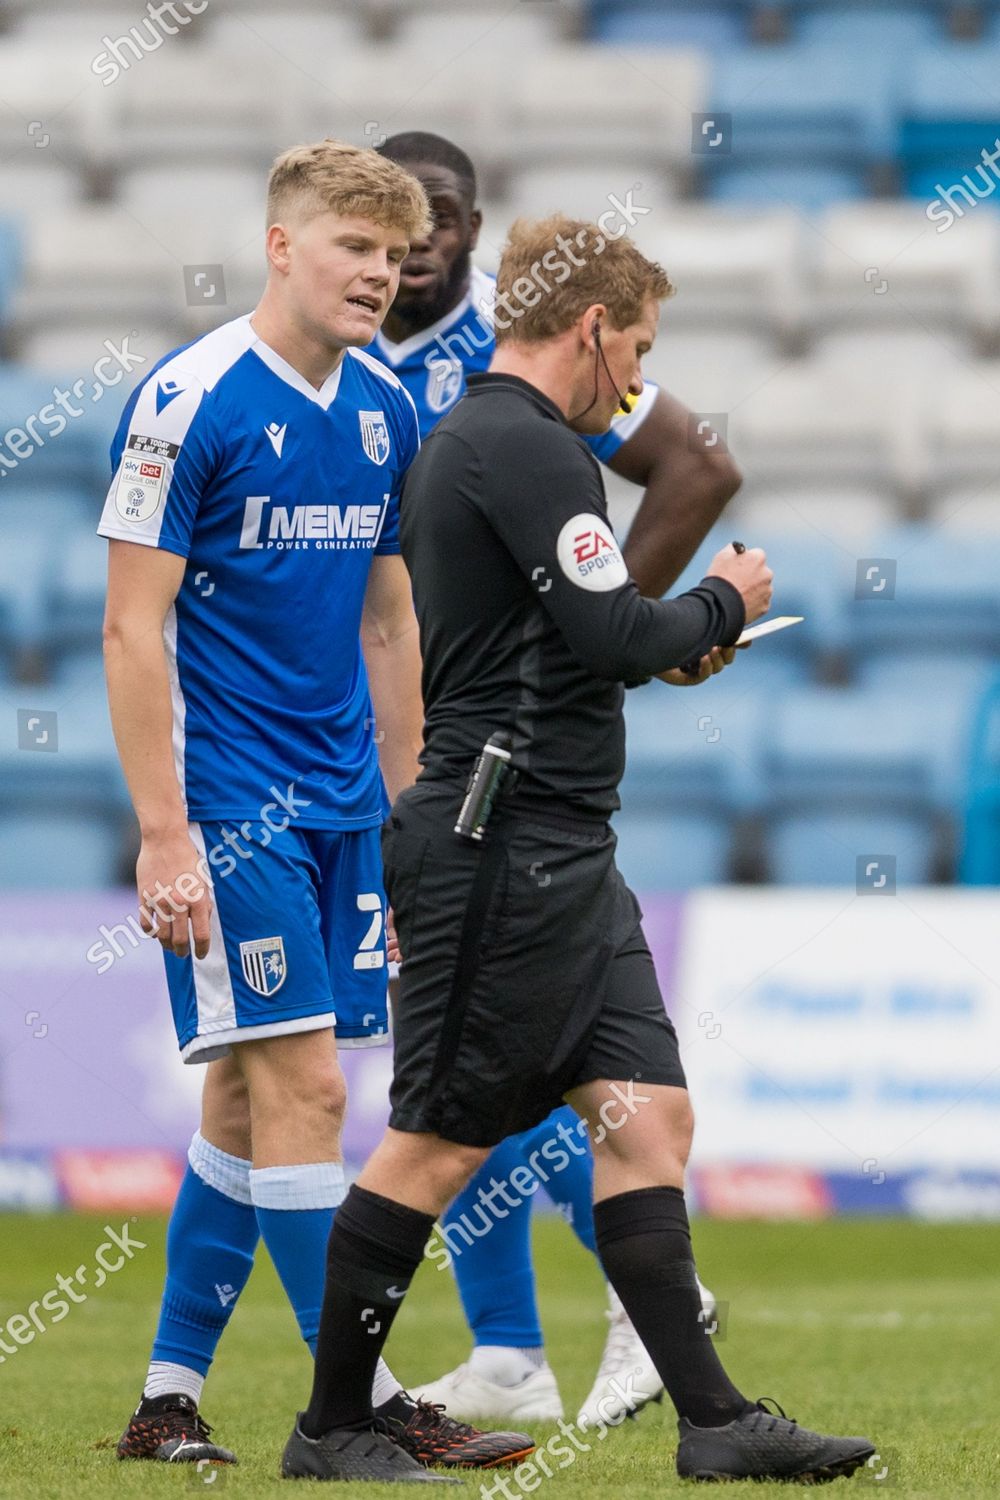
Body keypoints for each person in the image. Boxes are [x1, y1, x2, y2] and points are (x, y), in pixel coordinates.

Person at [282, 213, 877, 1484]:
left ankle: (714, 1423)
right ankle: (331, 1425)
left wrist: (680, 636)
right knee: (438, 1142)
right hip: (498, 843)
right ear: (593, 326)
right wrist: (722, 601)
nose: (638, 382)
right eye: (639, 348)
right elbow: (615, 636)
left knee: (647, 1119)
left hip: (560, 843)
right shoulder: (524, 445)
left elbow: (571, 643)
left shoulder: (486, 443)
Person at [101, 138, 531, 1475]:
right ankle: (359, 1405)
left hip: (349, 804)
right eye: (354, 247)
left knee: (245, 1108)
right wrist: (164, 833)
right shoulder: (188, 402)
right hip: (233, 807)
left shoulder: (389, 405)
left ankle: (167, 1401)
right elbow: (129, 628)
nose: (380, 274)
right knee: (304, 1086)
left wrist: (415, 813)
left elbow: (392, 622)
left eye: (394, 256)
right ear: (282, 245)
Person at [371, 130, 733, 1426]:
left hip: (486, 769)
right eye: (391, 224)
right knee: (454, 1085)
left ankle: (649, 1342)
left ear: (474, 228)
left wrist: (612, 635)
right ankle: (498, 1357)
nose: (417, 242)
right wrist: (627, 632)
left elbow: (699, 464)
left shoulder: (516, 353)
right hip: (392, 747)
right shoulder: (335, 356)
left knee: (494, 1082)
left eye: (442, 215)